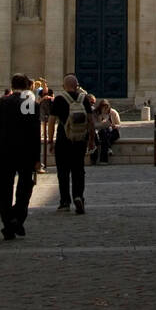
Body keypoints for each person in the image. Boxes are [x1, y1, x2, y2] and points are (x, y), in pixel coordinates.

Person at [0, 74, 41, 241]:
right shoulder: (28, 102)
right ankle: (17, 217)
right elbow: (34, 133)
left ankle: (8, 224)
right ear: (28, 87)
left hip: (5, 153)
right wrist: (37, 158)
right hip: (25, 154)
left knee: (6, 189)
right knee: (25, 188)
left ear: (12, 85)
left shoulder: (1, 102)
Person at [48, 74, 95, 214]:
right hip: (80, 139)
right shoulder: (84, 99)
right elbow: (91, 122)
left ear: (63, 86)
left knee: (63, 171)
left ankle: (64, 202)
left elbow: (51, 122)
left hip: (63, 139)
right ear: (77, 86)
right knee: (78, 170)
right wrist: (91, 139)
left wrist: (50, 140)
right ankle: (78, 196)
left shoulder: (59, 99)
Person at [90, 100, 121, 164]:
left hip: (111, 132)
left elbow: (119, 124)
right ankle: (104, 158)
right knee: (104, 134)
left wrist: (114, 125)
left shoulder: (113, 112)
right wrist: (102, 123)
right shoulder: (95, 113)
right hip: (99, 131)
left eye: (106, 108)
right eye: (103, 108)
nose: (105, 110)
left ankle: (105, 156)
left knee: (106, 136)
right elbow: (94, 125)